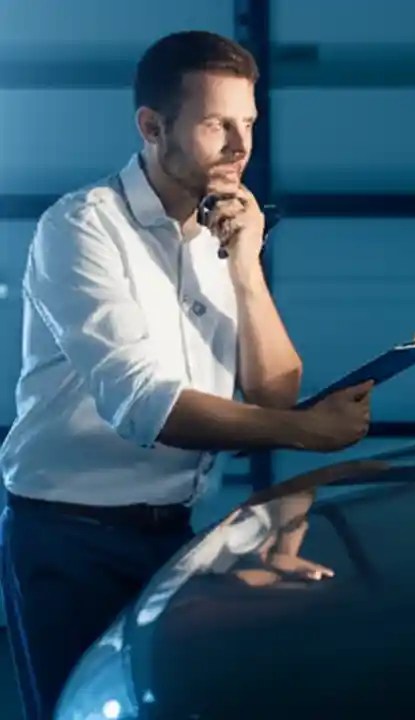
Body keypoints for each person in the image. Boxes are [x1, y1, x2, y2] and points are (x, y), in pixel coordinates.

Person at [0, 31, 373, 720]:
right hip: (69, 538)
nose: (240, 146)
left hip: (173, 533)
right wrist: (307, 435)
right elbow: (147, 407)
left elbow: (273, 390)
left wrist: (246, 266)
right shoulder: (82, 231)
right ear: (151, 127)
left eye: (249, 124)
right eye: (216, 125)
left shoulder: (220, 233)